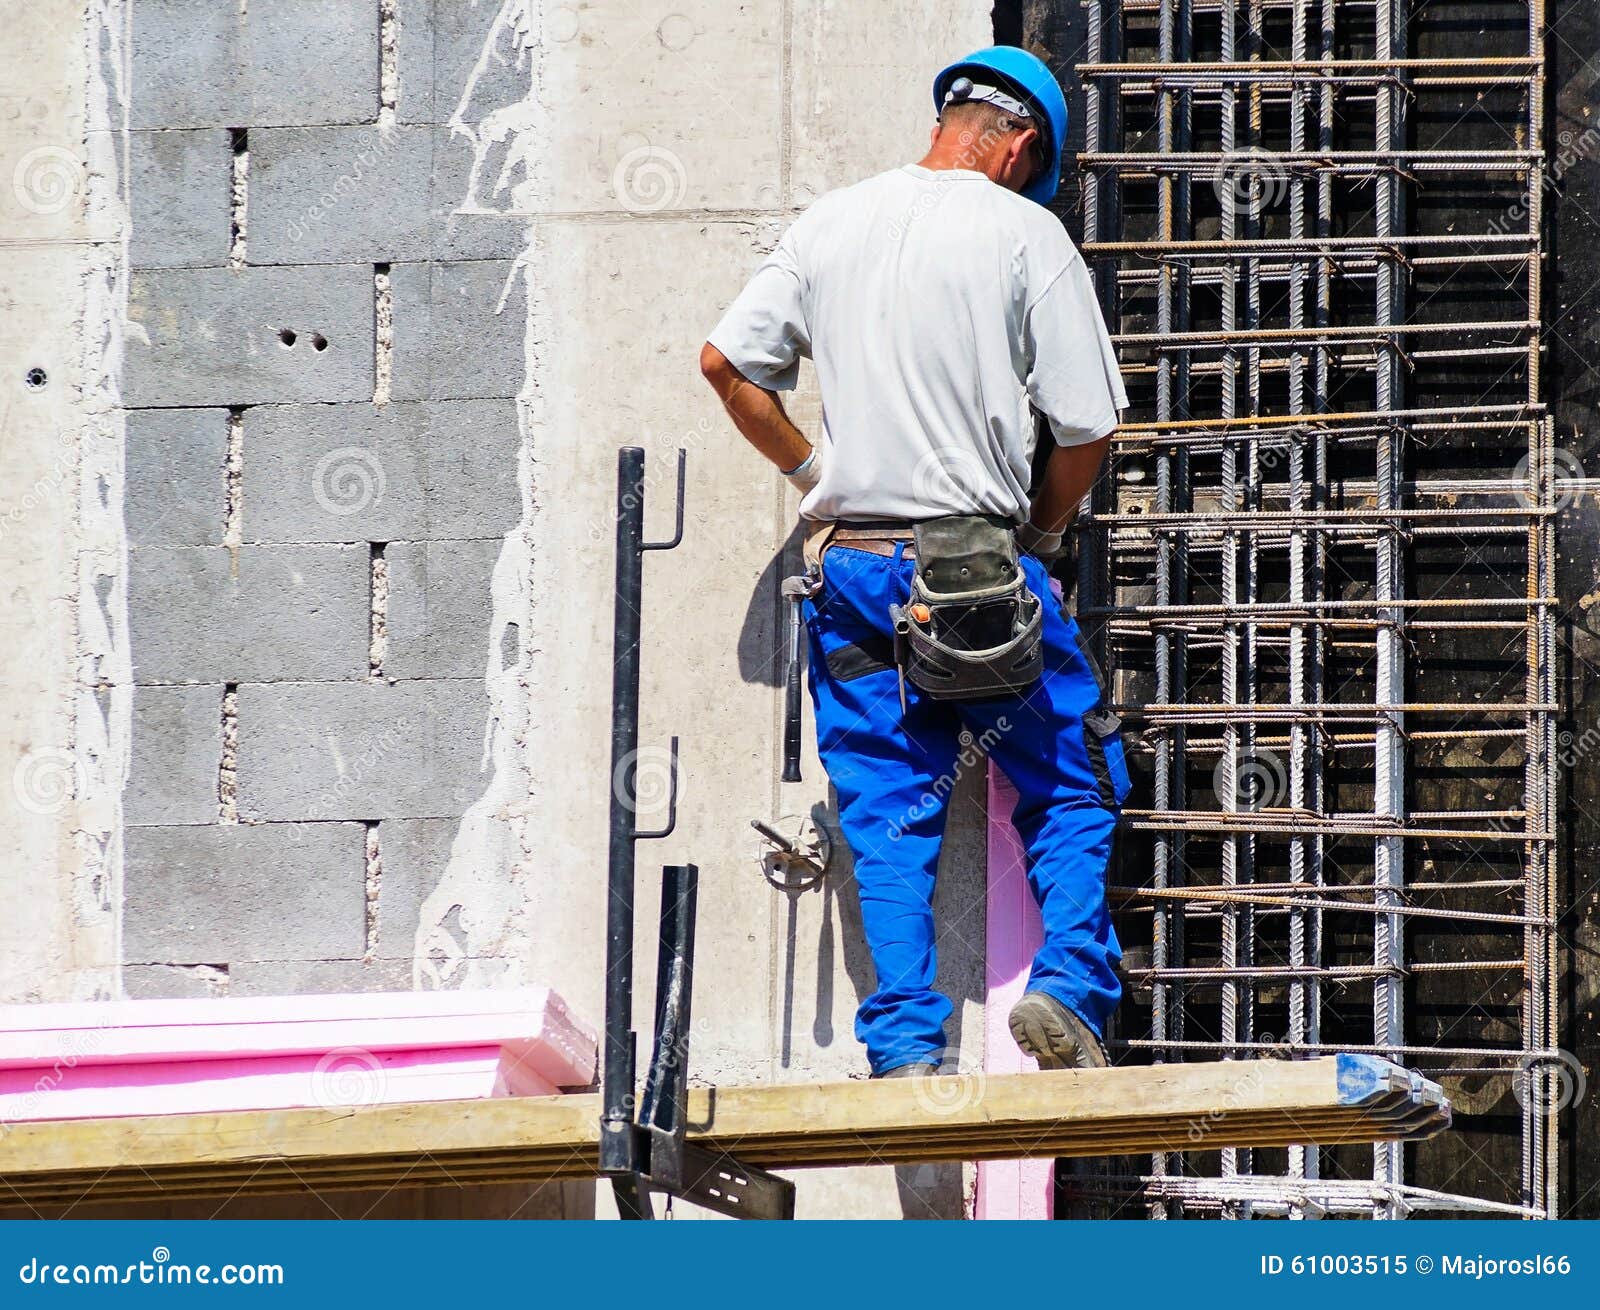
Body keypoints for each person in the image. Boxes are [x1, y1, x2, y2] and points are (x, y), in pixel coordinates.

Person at [700, 46, 1130, 1078]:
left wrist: (816, 467)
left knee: (887, 811)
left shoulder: (828, 222)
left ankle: (904, 1048)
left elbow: (724, 364)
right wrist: (1039, 528)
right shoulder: (1027, 234)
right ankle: (1069, 985)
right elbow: (1086, 428)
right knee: (1067, 779)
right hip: (975, 567)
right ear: (1021, 145)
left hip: (852, 567)